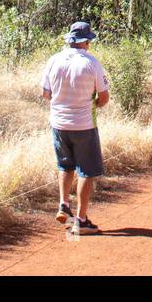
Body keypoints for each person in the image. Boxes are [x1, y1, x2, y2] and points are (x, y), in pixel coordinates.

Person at [40, 21, 110, 234]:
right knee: (86, 171)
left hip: (59, 124)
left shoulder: (54, 60)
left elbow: (46, 93)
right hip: (84, 125)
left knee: (65, 165)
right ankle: (80, 220)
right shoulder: (91, 63)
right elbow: (104, 97)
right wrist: (92, 104)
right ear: (86, 41)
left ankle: (63, 204)